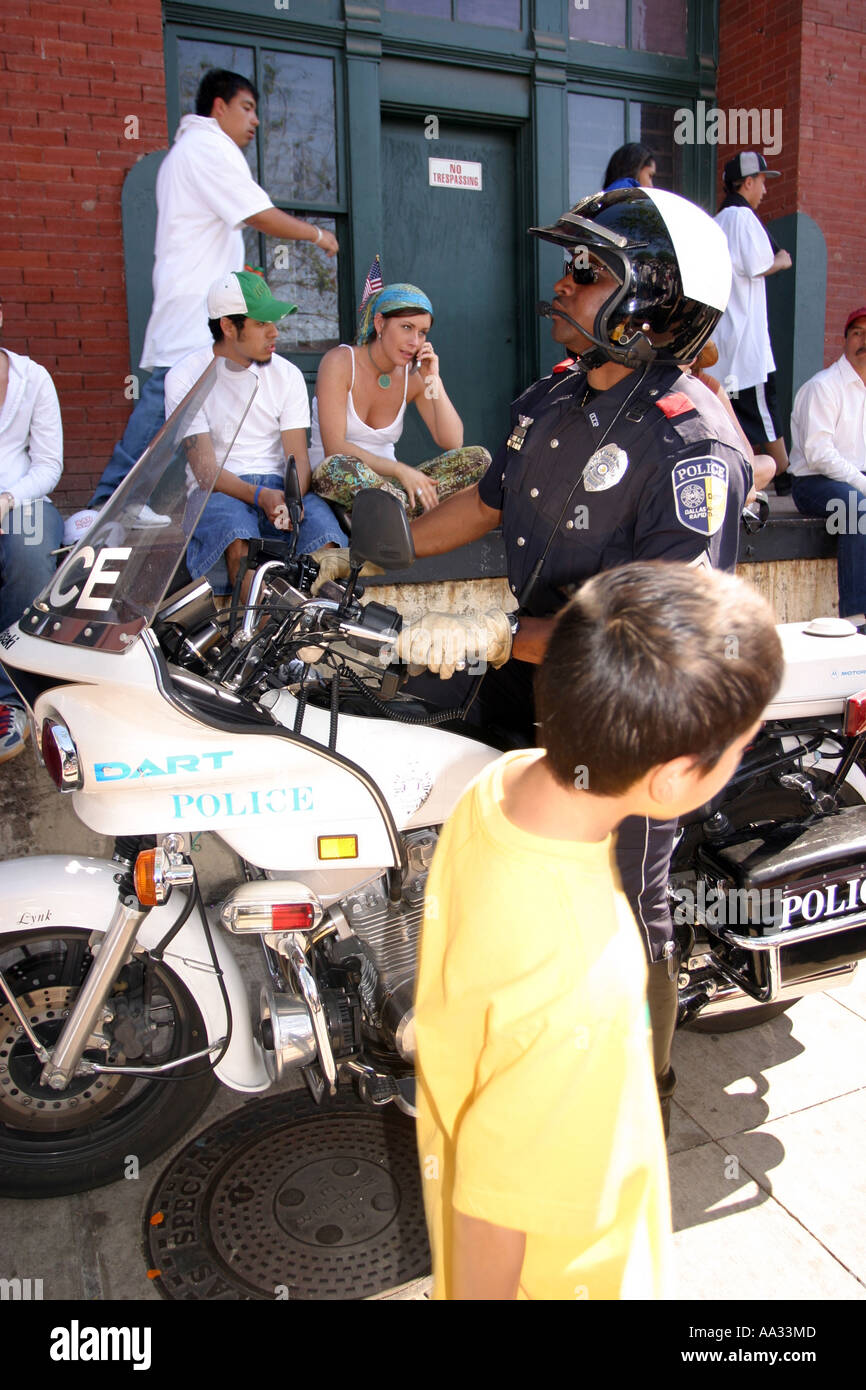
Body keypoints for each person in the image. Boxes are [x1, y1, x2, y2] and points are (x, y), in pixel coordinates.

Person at [336, 188, 750, 1136]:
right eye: (569, 267)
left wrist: (495, 631)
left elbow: (654, 631)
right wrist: (369, 552)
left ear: (651, 299)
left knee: (624, 902)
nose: (561, 285)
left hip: (628, 715)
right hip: (527, 684)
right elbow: (488, 500)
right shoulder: (557, 395)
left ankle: (635, 1106)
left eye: (587, 272)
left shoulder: (691, 443)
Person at [415, 561, 784, 1300]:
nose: (745, 752)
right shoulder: (578, 983)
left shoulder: (498, 785)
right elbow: (490, 1219)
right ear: (673, 779)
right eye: (743, 743)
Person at [90, 68, 338, 513]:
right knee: (164, 403)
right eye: (247, 107)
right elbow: (258, 212)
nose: (255, 120)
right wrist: (317, 235)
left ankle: (121, 505)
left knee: (173, 408)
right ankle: (108, 505)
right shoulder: (208, 146)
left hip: (196, 307)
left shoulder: (187, 153)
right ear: (218, 107)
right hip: (194, 311)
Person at [164, 271, 346, 593]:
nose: (274, 332)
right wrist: (260, 497)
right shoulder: (185, 376)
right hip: (218, 490)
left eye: (273, 322)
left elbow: (297, 460)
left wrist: (292, 498)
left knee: (327, 541)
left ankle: (317, 620)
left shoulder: (287, 374)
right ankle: (254, 621)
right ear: (228, 326)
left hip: (281, 486)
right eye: (261, 323)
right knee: (240, 543)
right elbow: (206, 472)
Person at [309, 283, 490, 517]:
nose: (415, 341)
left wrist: (433, 379)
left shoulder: (413, 376)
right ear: (380, 324)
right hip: (339, 480)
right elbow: (335, 447)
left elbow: (452, 441)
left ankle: (396, 511)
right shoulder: (340, 362)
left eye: (422, 332)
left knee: (478, 459)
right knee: (336, 466)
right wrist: (400, 470)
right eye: (407, 327)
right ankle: (403, 514)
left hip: (391, 487)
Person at [0, 298, 64, 761]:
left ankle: (9, 699)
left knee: (29, 549)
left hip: (22, 500)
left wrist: (8, 499)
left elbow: (48, 465)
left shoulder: (32, 378)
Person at [712, 152, 792, 483]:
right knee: (771, 439)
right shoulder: (743, 218)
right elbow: (761, 264)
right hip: (747, 351)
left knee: (732, 430)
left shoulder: (718, 220)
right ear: (747, 182)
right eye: (761, 181)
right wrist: (783, 259)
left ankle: (752, 483)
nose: (765, 189)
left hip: (724, 350)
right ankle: (779, 478)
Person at [788, 307, 866, 618]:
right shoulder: (823, 386)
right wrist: (862, 483)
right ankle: (856, 619)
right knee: (857, 509)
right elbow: (819, 453)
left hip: (854, 478)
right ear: (844, 340)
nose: (864, 340)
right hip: (813, 482)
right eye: (858, 333)